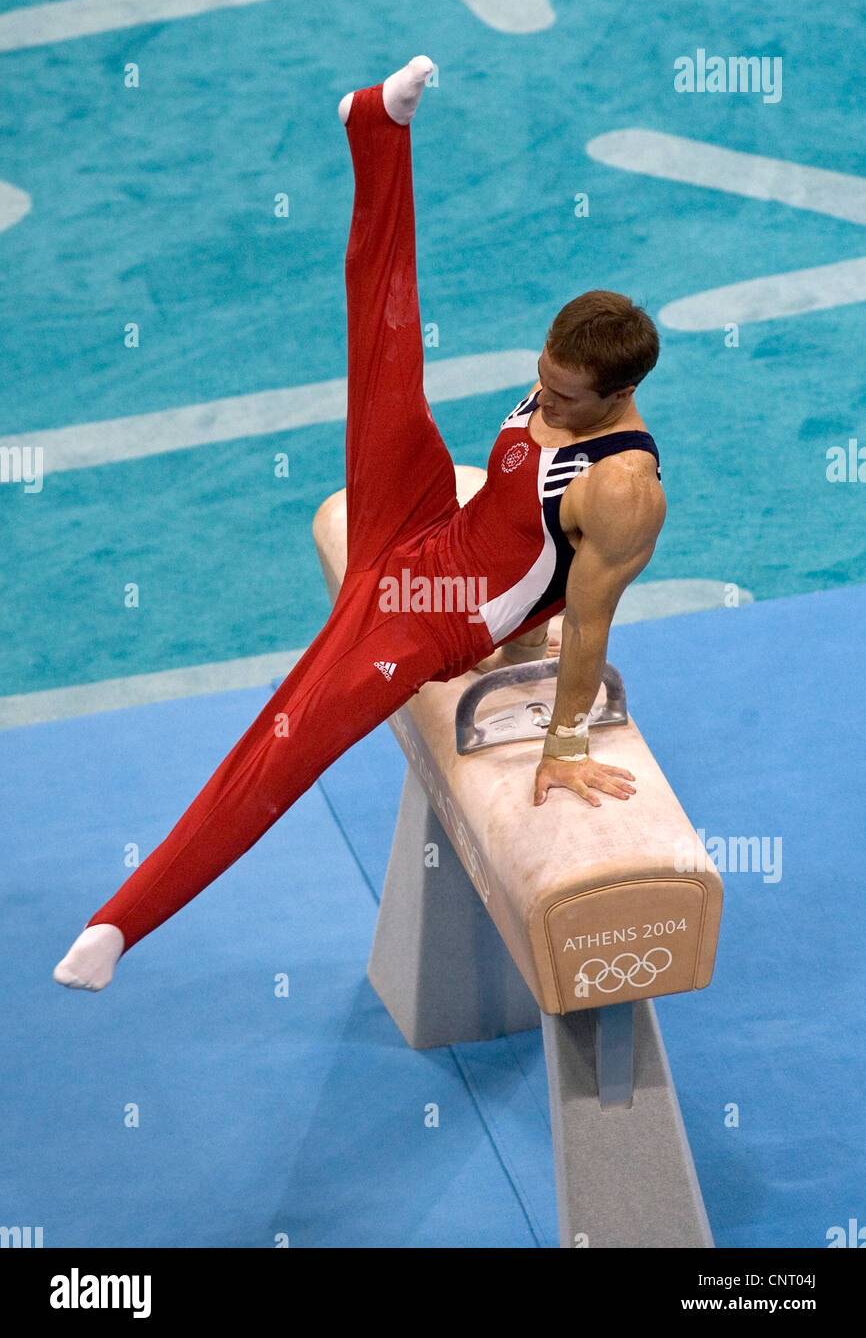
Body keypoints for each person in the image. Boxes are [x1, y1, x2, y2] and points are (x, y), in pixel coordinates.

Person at [54, 57, 666, 992]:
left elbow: (584, 617)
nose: (542, 396)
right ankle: (377, 130)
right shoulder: (568, 375)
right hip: (424, 522)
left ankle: (121, 922)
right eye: (539, 377)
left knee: (288, 741)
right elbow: (531, 535)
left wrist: (565, 736)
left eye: (564, 395)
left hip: (435, 609)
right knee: (382, 342)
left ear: (619, 394)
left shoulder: (623, 490)